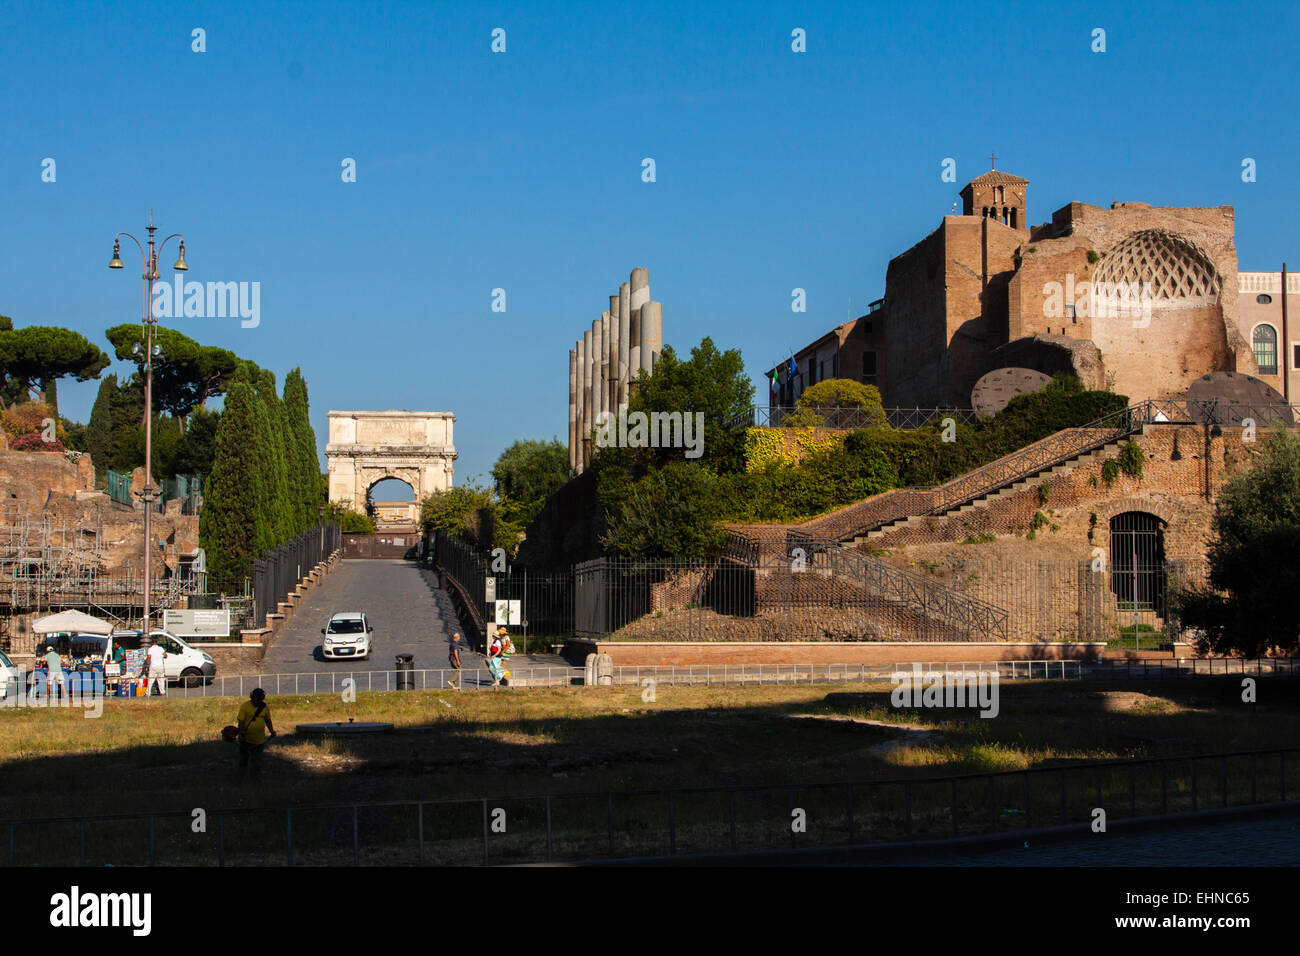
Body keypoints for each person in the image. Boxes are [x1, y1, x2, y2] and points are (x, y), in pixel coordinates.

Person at [236, 688, 276, 776]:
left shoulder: (264, 707)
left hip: (259, 741)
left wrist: (271, 730)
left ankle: (255, 777)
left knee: (257, 761)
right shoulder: (245, 706)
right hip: (246, 740)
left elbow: (268, 720)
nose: (258, 702)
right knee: (243, 760)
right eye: (257, 700)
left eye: (260, 700)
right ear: (252, 698)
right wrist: (241, 734)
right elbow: (241, 722)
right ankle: (240, 776)